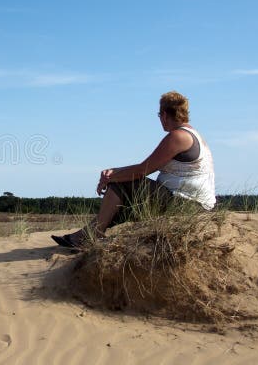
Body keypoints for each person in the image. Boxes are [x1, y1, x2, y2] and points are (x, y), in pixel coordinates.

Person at [52, 91, 216, 249]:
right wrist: (115, 172)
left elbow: (142, 170)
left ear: (165, 115)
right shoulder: (193, 134)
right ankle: (85, 235)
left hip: (188, 205)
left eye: (159, 116)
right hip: (193, 203)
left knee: (121, 186)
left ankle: (92, 234)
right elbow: (145, 167)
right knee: (122, 195)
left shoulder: (178, 137)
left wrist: (111, 178)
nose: (160, 120)